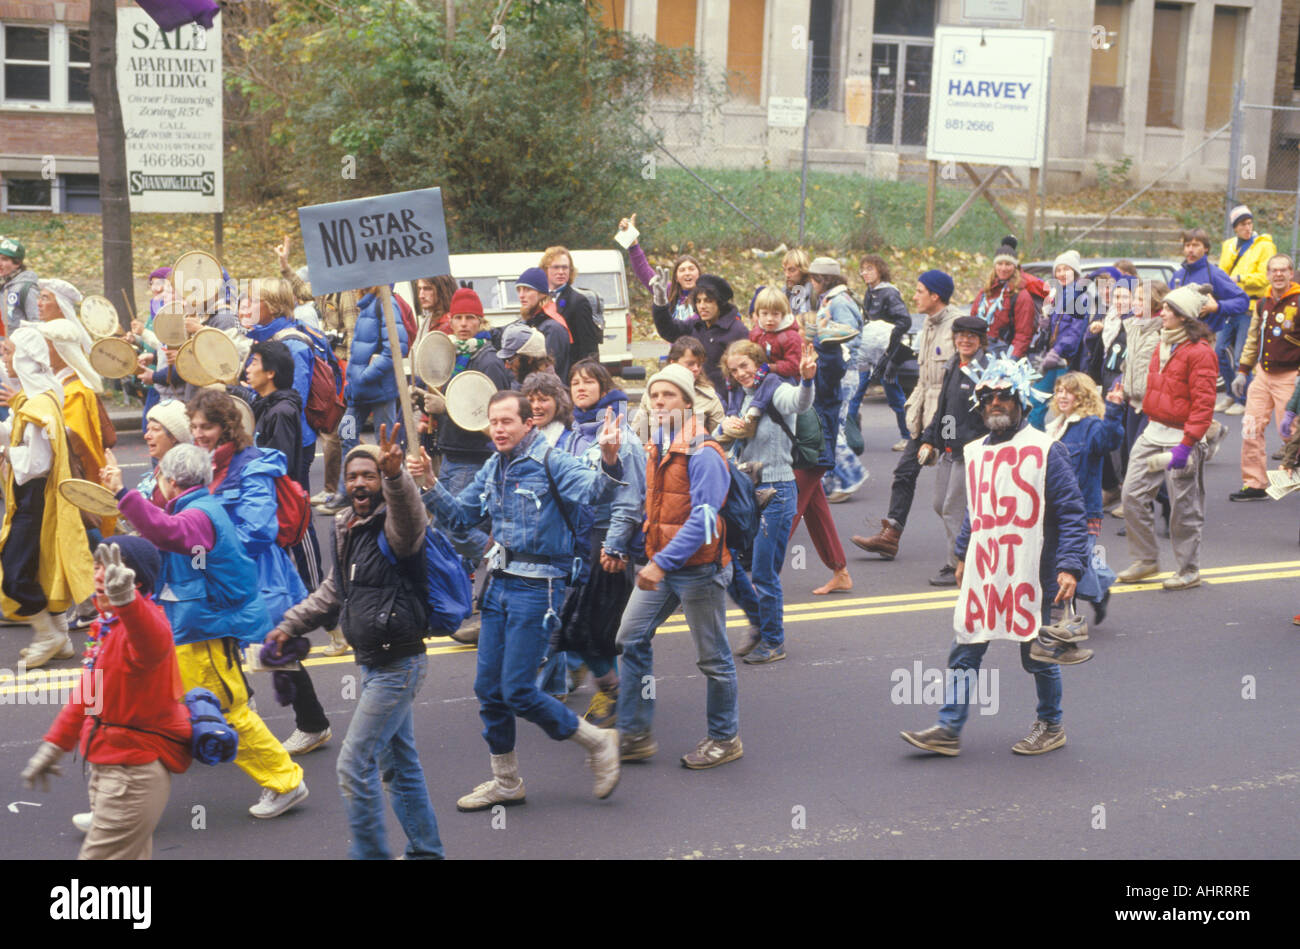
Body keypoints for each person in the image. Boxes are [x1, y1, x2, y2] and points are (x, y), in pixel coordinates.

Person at [415, 392, 626, 809]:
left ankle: (598, 741)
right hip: (499, 585)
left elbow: (598, 492)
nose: (498, 429)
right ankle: (507, 782)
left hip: (539, 590)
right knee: (488, 690)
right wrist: (429, 483)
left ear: (528, 423)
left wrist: (610, 457)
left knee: (517, 691)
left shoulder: (553, 462)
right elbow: (459, 517)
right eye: (493, 421)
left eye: (507, 421)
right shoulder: (495, 465)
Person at [900, 354, 1089, 758]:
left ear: (1020, 401)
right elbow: (977, 510)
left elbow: (1073, 513)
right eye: (987, 397)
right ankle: (948, 728)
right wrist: (963, 552)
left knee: (1036, 654)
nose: (995, 403)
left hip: (1031, 572)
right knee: (966, 645)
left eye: (1004, 396)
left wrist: (1070, 566)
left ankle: (1051, 725)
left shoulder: (1045, 451)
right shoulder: (977, 453)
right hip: (987, 573)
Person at [269, 425, 444, 859]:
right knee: (398, 766)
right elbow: (332, 592)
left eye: (369, 475)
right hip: (373, 662)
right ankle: (427, 852)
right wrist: (288, 626)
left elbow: (410, 514)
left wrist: (397, 477)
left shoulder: (395, 526)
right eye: (353, 477)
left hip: (398, 662)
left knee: (353, 765)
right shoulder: (348, 525)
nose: (360, 483)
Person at [107, 444, 308, 817]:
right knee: (155, 709)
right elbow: (166, 529)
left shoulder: (197, 514)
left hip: (203, 632)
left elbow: (168, 532)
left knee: (226, 713)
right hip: (194, 628)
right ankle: (121, 797)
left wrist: (123, 495)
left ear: (169, 480)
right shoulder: (198, 507)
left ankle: (286, 782)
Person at [21, 539, 192, 859]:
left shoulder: (146, 626)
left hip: (131, 778)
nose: (99, 574)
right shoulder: (106, 628)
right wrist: (53, 747)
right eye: (97, 565)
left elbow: (152, 638)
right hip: (108, 770)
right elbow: (88, 694)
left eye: (110, 567)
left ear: (134, 580)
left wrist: (127, 602)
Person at [187, 389, 331, 755]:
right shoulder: (201, 466)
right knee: (218, 647)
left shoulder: (254, 465)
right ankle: (238, 712)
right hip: (217, 577)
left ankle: (313, 724)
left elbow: (259, 530)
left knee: (276, 650)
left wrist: (207, 547)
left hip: (259, 577)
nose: (199, 433)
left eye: (206, 426)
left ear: (226, 427)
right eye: (194, 426)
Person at [615, 364, 742, 768]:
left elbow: (704, 521)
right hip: (663, 566)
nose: (658, 402)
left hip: (699, 571)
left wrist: (660, 563)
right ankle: (635, 732)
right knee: (630, 638)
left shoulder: (703, 452)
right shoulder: (658, 446)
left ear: (688, 403)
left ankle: (726, 738)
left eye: (667, 395)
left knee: (714, 659)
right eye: (653, 396)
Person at [1114, 283, 1219, 590]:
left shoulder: (1200, 353)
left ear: (1184, 316)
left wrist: (1187, 445)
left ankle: (1188, 570)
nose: (1162, 312)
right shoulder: (1163, 341)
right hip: (1153, 432)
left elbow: (1203, 404)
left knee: (1184, 509)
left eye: (1169, 310)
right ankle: (1146, 560)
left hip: (1180, 440)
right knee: (1131, 495)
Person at [719, 340, 818, 664]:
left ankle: (774, 641)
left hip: (776, 492)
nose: (741, 373)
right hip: (748, 492)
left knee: (763, 572)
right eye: (734, 370)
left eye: (745, 366)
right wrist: (725, 429)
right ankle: (761, 625)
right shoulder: (739, 398)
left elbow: (799, 403)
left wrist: (806, 379)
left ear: (758, 362)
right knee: (732, 566)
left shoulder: (774, 390)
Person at [0, 328, 95, 667]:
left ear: (25, 357)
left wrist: (6, 452)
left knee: (13, 570)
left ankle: (48, 635)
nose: (5, 357)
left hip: (37, 497)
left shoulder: (38, 402)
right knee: (38, 565)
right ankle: (60, 638)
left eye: (9, 351)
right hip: (36, 498)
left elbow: (35, 464)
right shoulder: (38, 395)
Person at [561, 359, 646, 725]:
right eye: (574, 382)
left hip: (607, 541)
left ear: (603, 386)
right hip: (580, 541)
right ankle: (604, 687)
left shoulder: (621, 435)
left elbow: (630, 499)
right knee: (584, 625)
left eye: (588, 382)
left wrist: (614, 546)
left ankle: (615, 695)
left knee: (596, 627)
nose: (580, 387)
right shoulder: (575, 432)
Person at [852, 269, 958, 560]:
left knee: (954, 488)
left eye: (920, 290)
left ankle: (962, 553)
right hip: (923, 416)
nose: (914, 296)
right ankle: (891, 536)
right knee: (904, 473)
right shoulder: (927, 325)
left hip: (949, 419)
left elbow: (953, 386)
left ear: (935, 295)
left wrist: (933, 434)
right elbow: (925, 381)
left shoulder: (956, 327)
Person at [427, 288, 512, 567]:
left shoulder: (488, 362)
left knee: (455, 529)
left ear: (480, 321)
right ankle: (458, 593)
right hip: (451, 453)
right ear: (450, 320)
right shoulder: (453, 355)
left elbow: (492, 417)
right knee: (441, 529)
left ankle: (507, 563)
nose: (464, 324)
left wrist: (446, 410)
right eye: (459, 317)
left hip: (473, 457)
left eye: (470, 318)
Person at [915, 315, 989, 587]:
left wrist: (976, 446)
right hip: (949, 450)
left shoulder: (987, 371)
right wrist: (931, 440)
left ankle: (957, 564)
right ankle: (971, 553)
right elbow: (944, 411)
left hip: (970, 452)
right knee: (940, 505)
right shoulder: (953, 365)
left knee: (952, 510)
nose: (965, 340)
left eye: (972, 336)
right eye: (960, 335)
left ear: (981, 340)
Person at [1051, 373, 1124, 622]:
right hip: (1055, 508)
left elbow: (1109, 440)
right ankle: (1101, 588)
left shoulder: (1091, 425)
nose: (1062, 395)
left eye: (1068, 391)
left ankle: (1065, 619)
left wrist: (1114, 409)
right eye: (1059, 390)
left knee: (1069, 564)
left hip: (1082, 510)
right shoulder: (1056, 425)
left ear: (1082, 396)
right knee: (1076, 560)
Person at [1229, 255, 1300, 501]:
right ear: (1268, 274)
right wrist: (1242, 370)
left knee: (1291, 432)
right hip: (1262, 375)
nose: (1278, 274)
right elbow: (1252, 339)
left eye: (1283, 270)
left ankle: (1294, 476)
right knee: (1250, 428)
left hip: (1291, 376)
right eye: (1274, 270)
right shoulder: (1263, 303)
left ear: (1292, 273)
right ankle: (1254, 484)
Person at [1170, 228, 1250, 415]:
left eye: (1196, 245)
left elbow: (1242, 300)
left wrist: (1218, 307)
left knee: (1199, 393)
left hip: (1204, 340)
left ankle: (1206, 432)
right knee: (1180, 393)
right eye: (1187, 245)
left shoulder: (1214, 274)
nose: (1191, 249)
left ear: (1205, 248)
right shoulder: (1178, 275)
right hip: (1178, 341)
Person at [805, 257, 866, 502]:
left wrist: (833, 359)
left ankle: (851, 477)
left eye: (813, 278)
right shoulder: (832, 299)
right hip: (834, 369)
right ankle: (830, 481)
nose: (810, 283)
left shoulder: (839, 301)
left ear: (822, 278)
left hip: (841, 371)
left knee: (833, 427)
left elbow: (848, 335)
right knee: (829, 425)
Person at [336, 284, 409, 473]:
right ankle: (348, 490)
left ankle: (391, 492)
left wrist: (364, 375)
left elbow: (396, 348)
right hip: (360, 391)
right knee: (346, 434)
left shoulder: (385, 304)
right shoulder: (368, 303)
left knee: (385, 446)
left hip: (380, 393)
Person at [651, 272, 748, 394]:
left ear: (720, 303)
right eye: (698, 301)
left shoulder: (737, 331)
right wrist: (660, 302)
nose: (702, 306)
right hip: (694, 396)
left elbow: (744, 373)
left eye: (708, 301)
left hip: (723, 401)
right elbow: (669, 330)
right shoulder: (696, 324)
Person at [852, 254, 912, 451]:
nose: (865, 273)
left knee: (894, 395)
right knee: (855, 391)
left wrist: (890, 344)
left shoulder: (889, 293)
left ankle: (908, 436)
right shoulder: (870, 293)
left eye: (869, 268)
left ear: (880, 270)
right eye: (863, 269)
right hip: (867, 351)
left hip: (887, 355)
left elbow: (904, 321)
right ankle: (850, 437)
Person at [1030, 249, 1092, 428]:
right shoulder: (1058, 294)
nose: (1061, 274)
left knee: (1068, 407)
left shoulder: (1080, 296)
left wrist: (1057, 351)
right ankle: (1038, 443)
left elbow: (1075, 331)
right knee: (1038, 400)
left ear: (1075, 272)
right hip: (1052, 357)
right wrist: (1045, 322)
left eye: (1067, 269)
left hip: (1066, 361)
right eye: (1058, 270)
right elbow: (1054, 329)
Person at [634, 336, 725, 442]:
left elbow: (719, 439)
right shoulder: (653, 393)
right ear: (673, 362)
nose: (696, 369)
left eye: (699, 364)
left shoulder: (709, 397)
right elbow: (637, 435)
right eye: (690, 364)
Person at [618, 215, 701, 324]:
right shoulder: (667, 291)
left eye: (691, 269)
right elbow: (642, 270)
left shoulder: (708, 294)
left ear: (699, 273)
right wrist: (632, 240)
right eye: (682, 270)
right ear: (676, 277)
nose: (687, 273)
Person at [970, 236, 1039, 358]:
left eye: (1008, 264)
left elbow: (1023, 335)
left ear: (1015, 267)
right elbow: (972, 321)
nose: (1003, 268)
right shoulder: (985, 292)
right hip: (979, 351)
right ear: (994, 266)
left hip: (1004, 354)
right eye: (1000, 264)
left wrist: (1011, 360)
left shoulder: (1021, 296)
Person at [540, 246, 601, 364]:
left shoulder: (579, 302)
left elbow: (588, 348)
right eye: (556, 267)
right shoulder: (539, 298)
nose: (561, 272)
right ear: (545, 270)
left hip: (568, 371)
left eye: (565, 267)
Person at [516, 267, 572, 381]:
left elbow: (548, 372)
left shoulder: (552, 328)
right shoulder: (532, 321)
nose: (521, 295)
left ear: (541, 294)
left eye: (527, 290)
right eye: (519, 290)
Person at [0, 236, 40, 333]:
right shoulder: (4, 284)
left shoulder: (27, 288)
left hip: (20, 345)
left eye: (4, 259)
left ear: (17, 263)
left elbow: (37, 323)